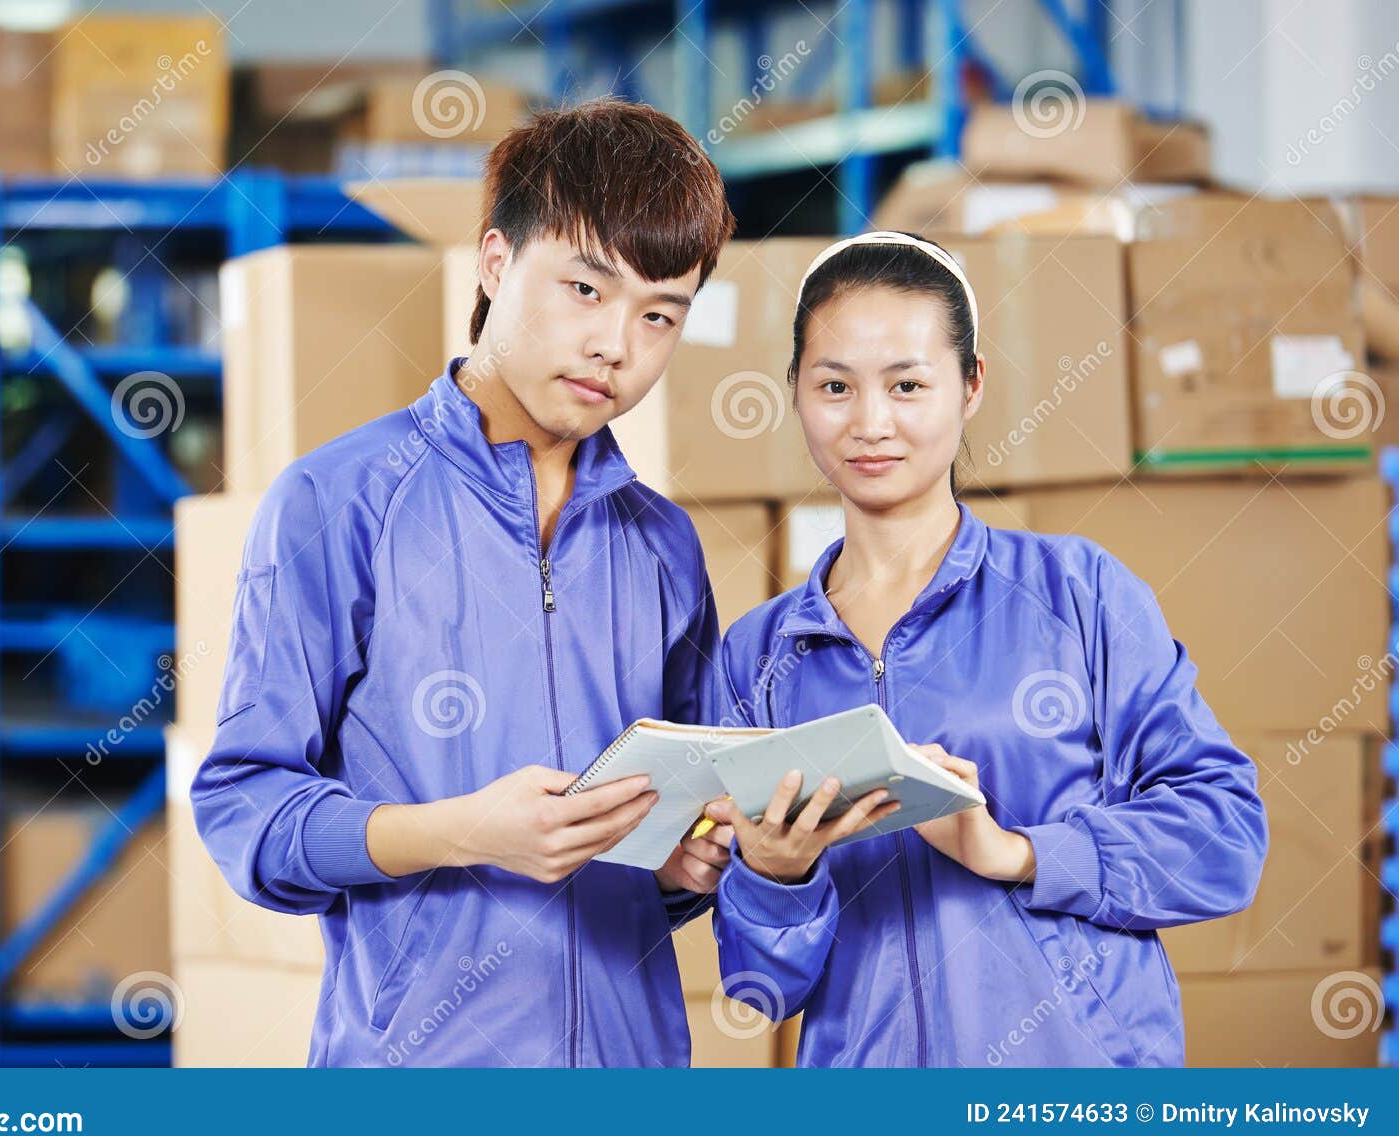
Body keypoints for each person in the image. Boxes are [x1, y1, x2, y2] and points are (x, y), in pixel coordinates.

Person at [190, 99, 737, 1067]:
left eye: (659, 315)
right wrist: (465, 832)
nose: (617, 345)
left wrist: (689, 867)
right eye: (584, 289)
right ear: (493, 263)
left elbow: (675, 830)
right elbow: (246, 812)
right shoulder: (339, 503)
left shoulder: (663, 546)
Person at [703, 231, 1268, 1067]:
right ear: (794, 393)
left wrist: (1018, 852)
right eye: (835, 386)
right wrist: (776, 876)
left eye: (907, 385)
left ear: (970, 387)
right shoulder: (760, 656)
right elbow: (764, 987)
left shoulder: (1077, 593)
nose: (871, 423)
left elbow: (1226, 837)